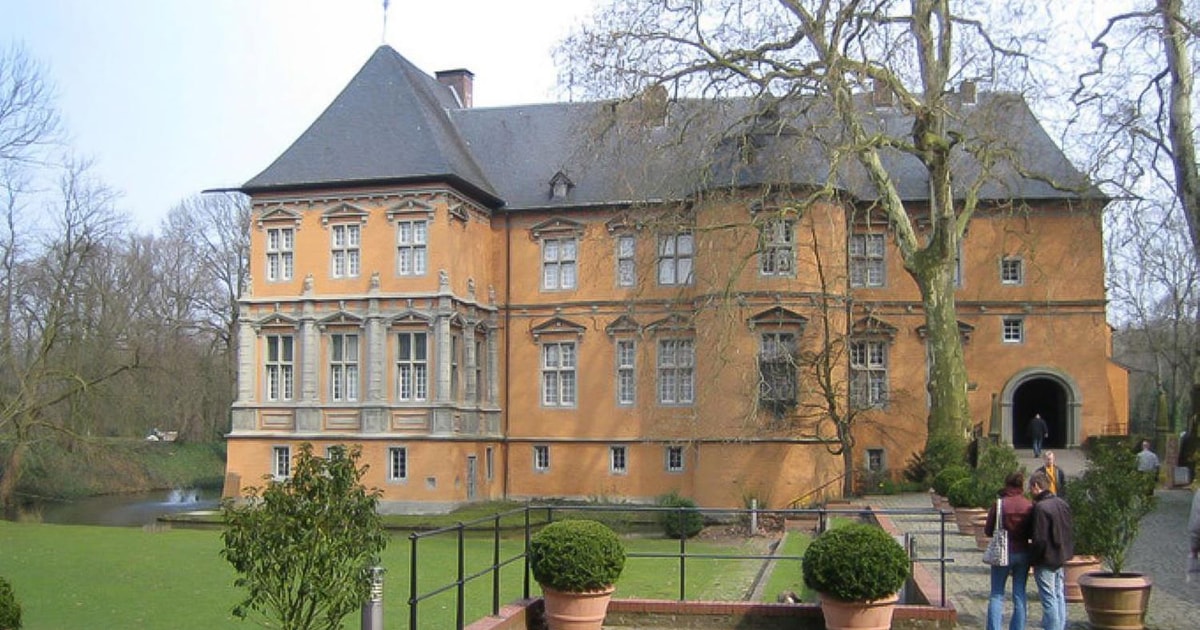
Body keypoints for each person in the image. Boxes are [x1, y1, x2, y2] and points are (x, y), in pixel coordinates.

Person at [984, 472, 1034, 630]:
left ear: (1007, 484)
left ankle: (994, 627)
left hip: (1003, 551)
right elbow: (1034, 530)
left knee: (997, 593)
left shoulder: (1000, 504)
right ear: (1021, 485)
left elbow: (988, 530)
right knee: (1019, 592)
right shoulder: (1029, 505)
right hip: (1023, 551)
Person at [1027, 469, 1073, 630]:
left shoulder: (1040, 508)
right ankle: (1060, 626)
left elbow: (1039, 538)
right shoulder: (1061, 503)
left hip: (1046, 558)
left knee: (1049, 598)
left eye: (1030, 488)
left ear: (1036, 486)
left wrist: (1032, 559)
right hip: (1061, 555)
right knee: (1059, 595)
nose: (1030, 492)